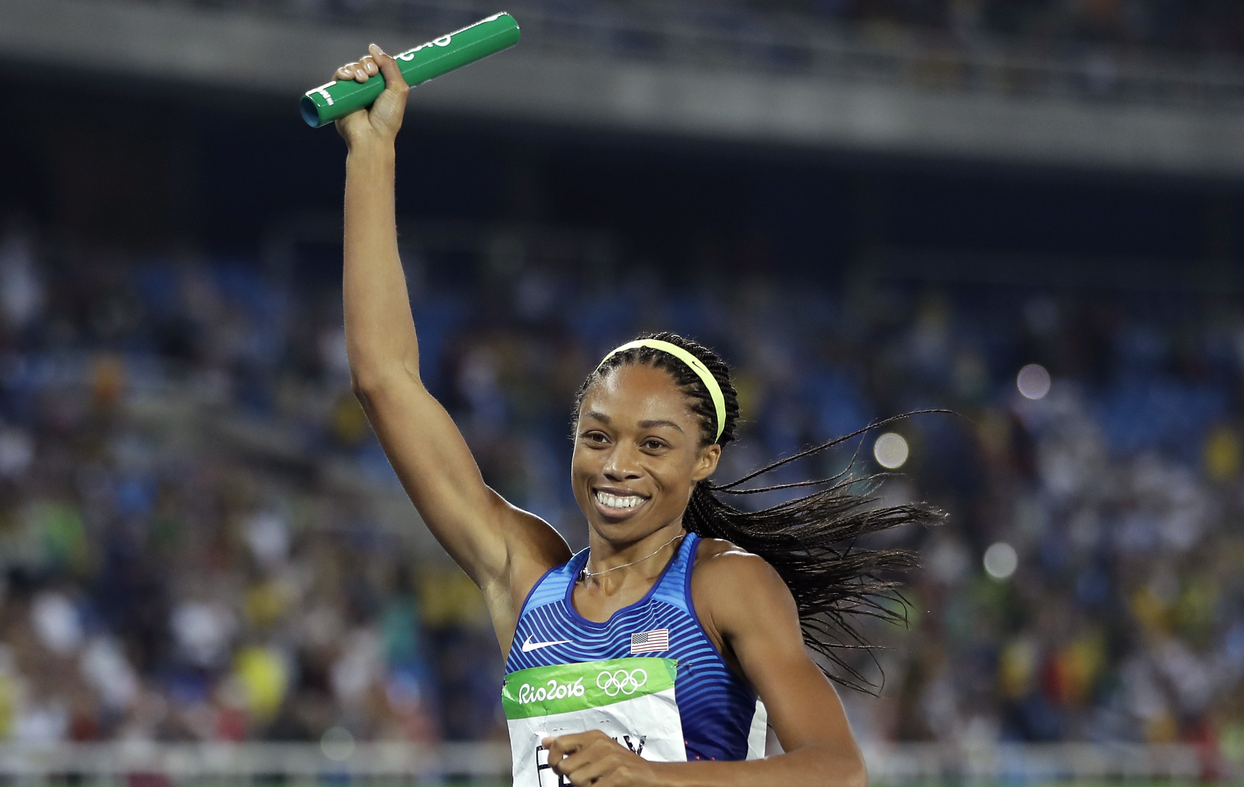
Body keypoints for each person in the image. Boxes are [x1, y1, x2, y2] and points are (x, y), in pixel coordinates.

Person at [332, 45, 942, 786]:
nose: (618, 463)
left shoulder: (726, 584)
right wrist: (372, 151)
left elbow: (838, 771)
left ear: (704, 459)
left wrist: (651, 778)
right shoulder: (526, 579)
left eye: (654, 443)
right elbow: (384, 380)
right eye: (598, 436)